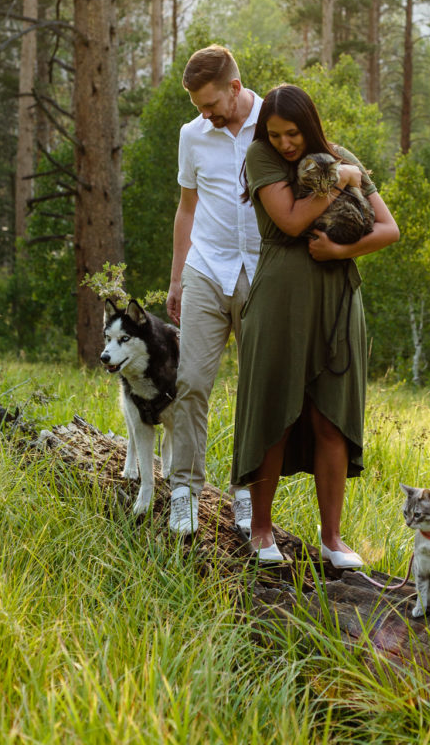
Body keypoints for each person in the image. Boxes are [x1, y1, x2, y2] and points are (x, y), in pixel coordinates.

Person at [231, 84, 399, 565]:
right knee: (274, 412)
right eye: (276, 133)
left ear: (311, 126)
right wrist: (338, 181)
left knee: (331, 418)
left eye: (294, 133)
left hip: (338, 299)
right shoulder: (262, 158)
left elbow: (389, 228)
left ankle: (332, 539)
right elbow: (288, 220)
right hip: (280, 298)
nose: (285, 143)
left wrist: (341, 249)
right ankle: (261, 530)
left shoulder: (342, 156)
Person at [166, 45, 262, 536]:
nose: (205, 115)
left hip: (262, 274)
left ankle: (245, 491)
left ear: (235, 89)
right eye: (198, 108)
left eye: (210, 105)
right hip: (206, 268)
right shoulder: (192, 136)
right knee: (192, 381)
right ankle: (184, 490)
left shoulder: (273, 122)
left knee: (255, 390)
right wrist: (177, 276)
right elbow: (187, 207)